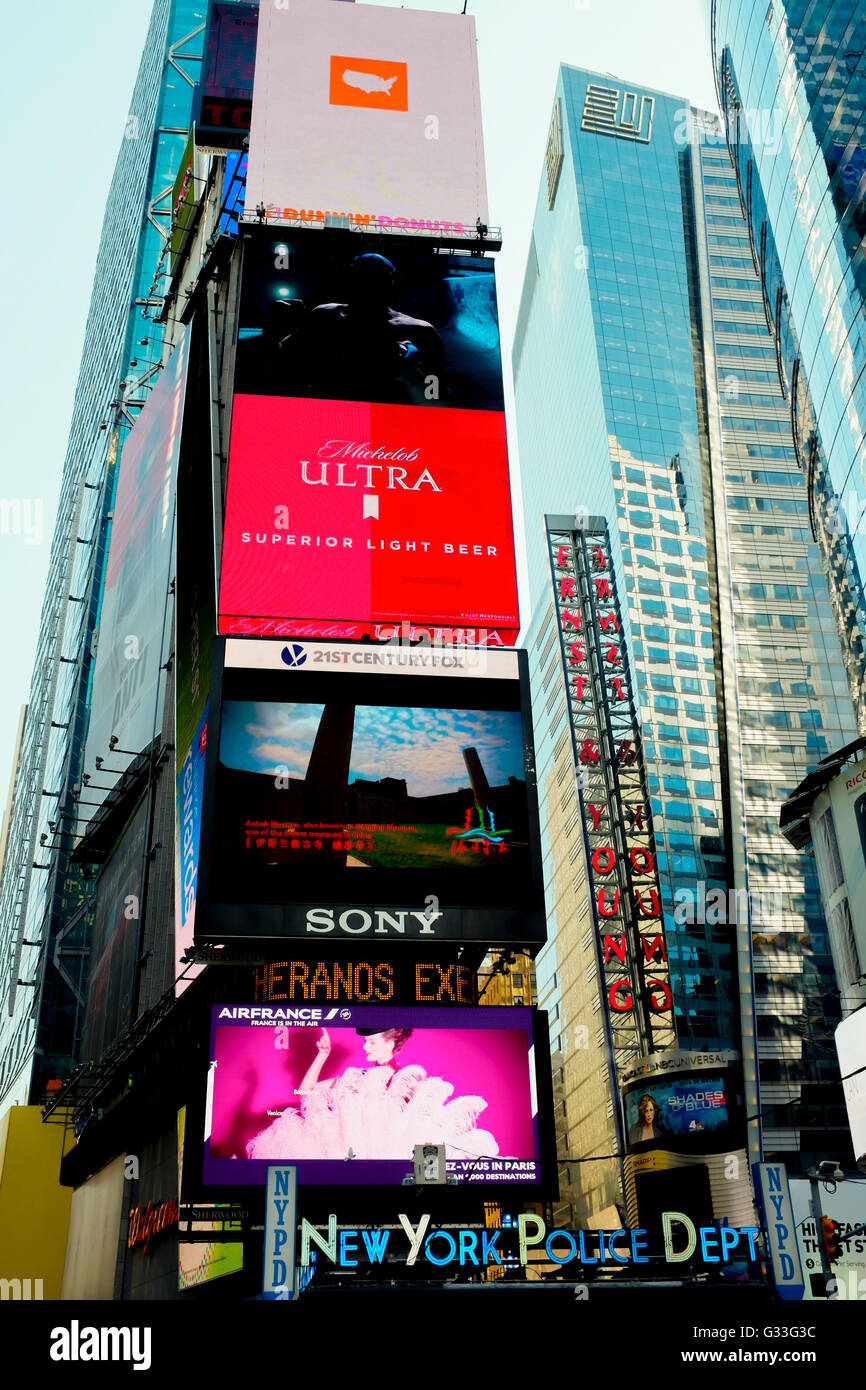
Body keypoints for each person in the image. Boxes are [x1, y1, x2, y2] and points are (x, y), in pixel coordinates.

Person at [246, 1025, 498, 1162]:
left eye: (372, 1042)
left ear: (392, 1042)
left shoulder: (413, 1087)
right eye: (365, 1041)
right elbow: (305, 1092)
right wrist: (322, 1056)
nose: (364, 1046)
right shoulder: (357, 1079)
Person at [277, 253, 445, 403]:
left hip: (385, 423)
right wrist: (275, 327)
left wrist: (411, 377)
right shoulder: (324, 316)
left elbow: (438, 401)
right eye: (362, 277)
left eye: (376, 279)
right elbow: (281, 359)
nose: (368, 286)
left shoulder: (420, 331)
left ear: (391, 283)